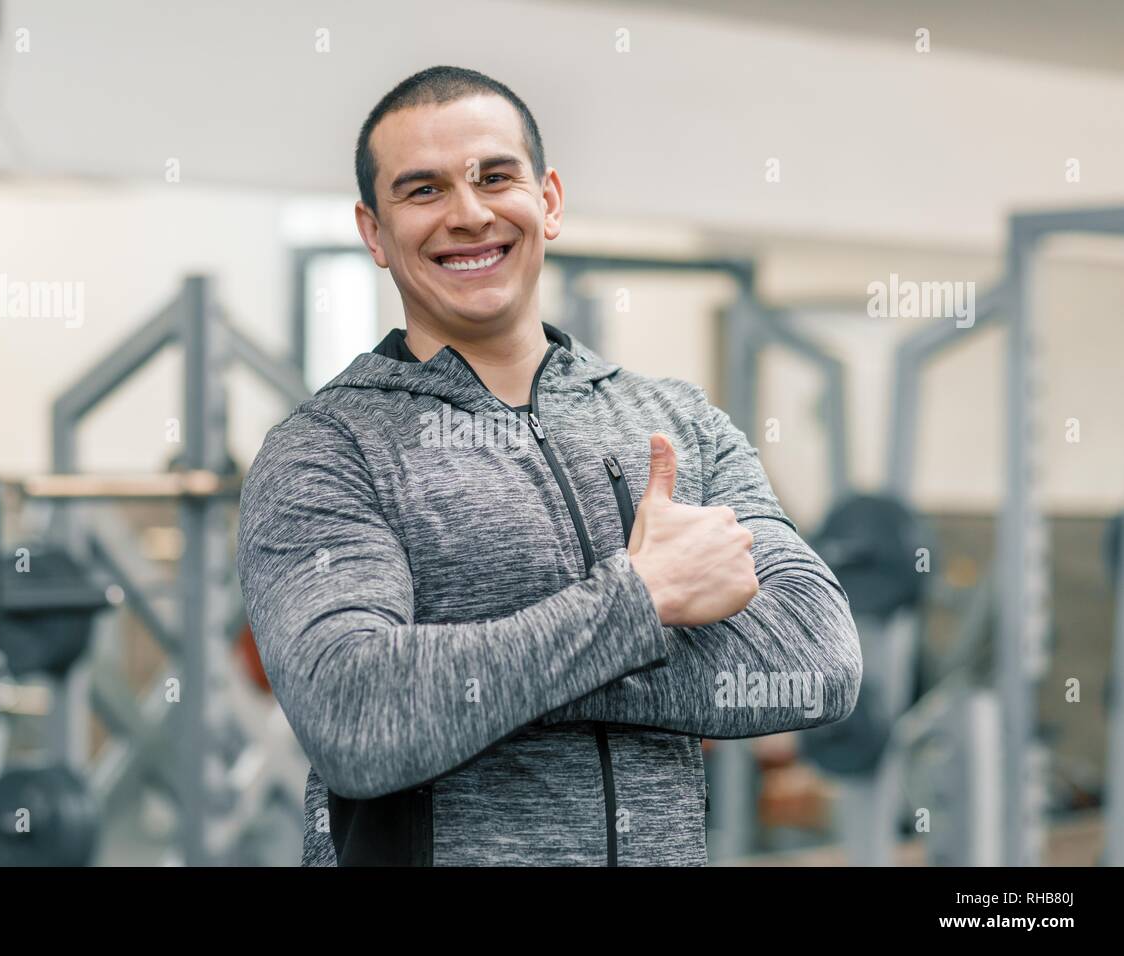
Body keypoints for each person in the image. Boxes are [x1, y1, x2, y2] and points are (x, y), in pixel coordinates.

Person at [236, 65, 862, 866]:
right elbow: (356, 714)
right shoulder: (327, 449)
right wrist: (641, 600)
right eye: (422, 191)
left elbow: (817, 661)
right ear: (373, 231)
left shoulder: (678, 423)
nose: (468, 215)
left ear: (549, 201)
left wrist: (494, 672)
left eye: (495, 177)